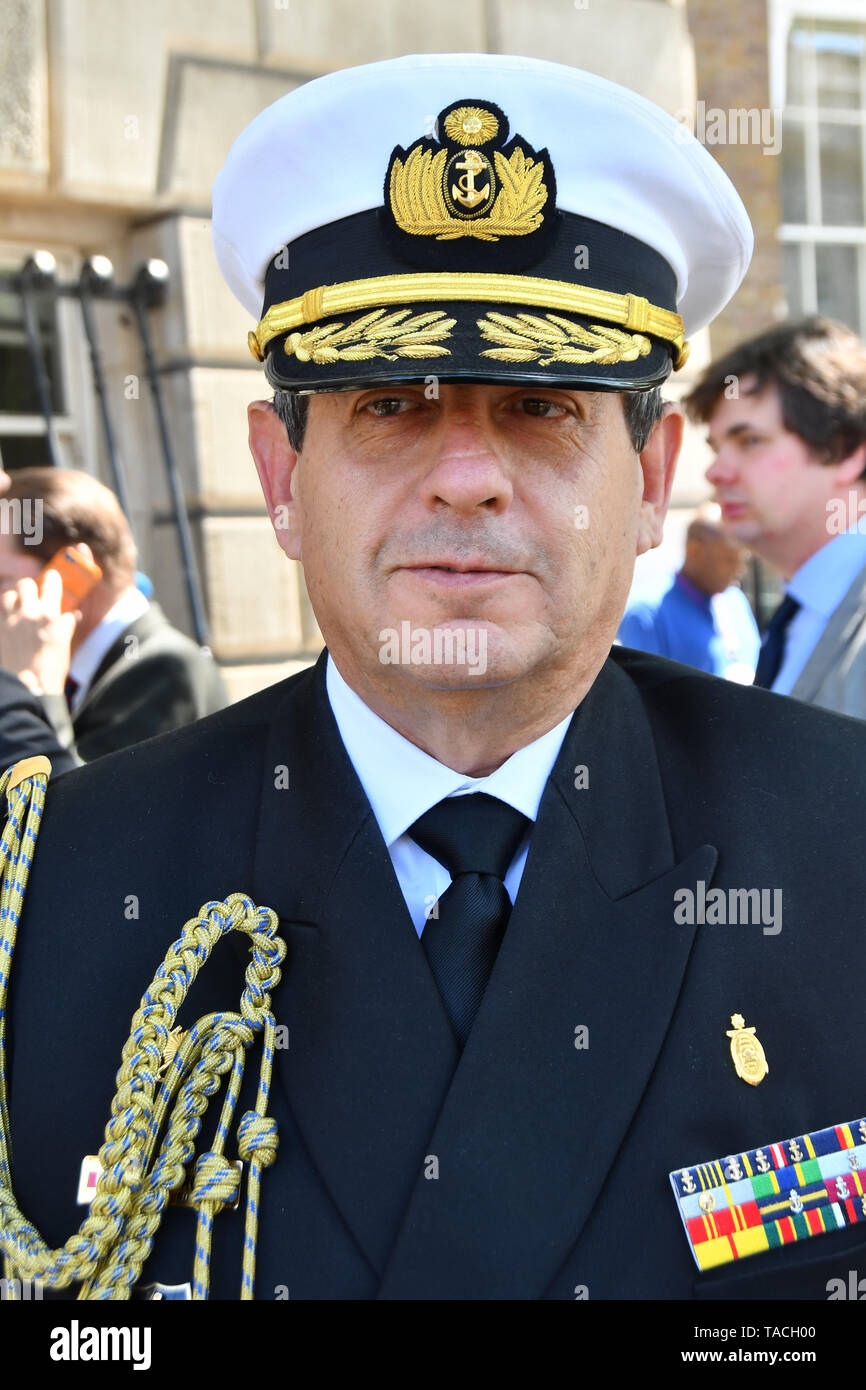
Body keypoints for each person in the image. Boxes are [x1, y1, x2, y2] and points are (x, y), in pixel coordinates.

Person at [2, 55, 865, 1304]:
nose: (466, 474)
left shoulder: (839, 839)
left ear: (652, 468)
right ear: (282, 474)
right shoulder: (59, 892)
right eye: (389, 402)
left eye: (541, 403)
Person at [686, 316, 866, 716]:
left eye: (750, 441)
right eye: (717, 447)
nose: (715, 471)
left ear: (848, 450)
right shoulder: (798, 616)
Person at [0, 467, 228, 764]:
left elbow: (67, 805)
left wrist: (33, 689)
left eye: (1, 578)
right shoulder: (81, 671)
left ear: (72, 572)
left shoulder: (165, 671)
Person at [618, 501, 759, 679]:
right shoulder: (646, 613)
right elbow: (644, 696)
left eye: (743, 560)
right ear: (694, 550)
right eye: (730, 560)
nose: (740, 570)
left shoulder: (735, 599)